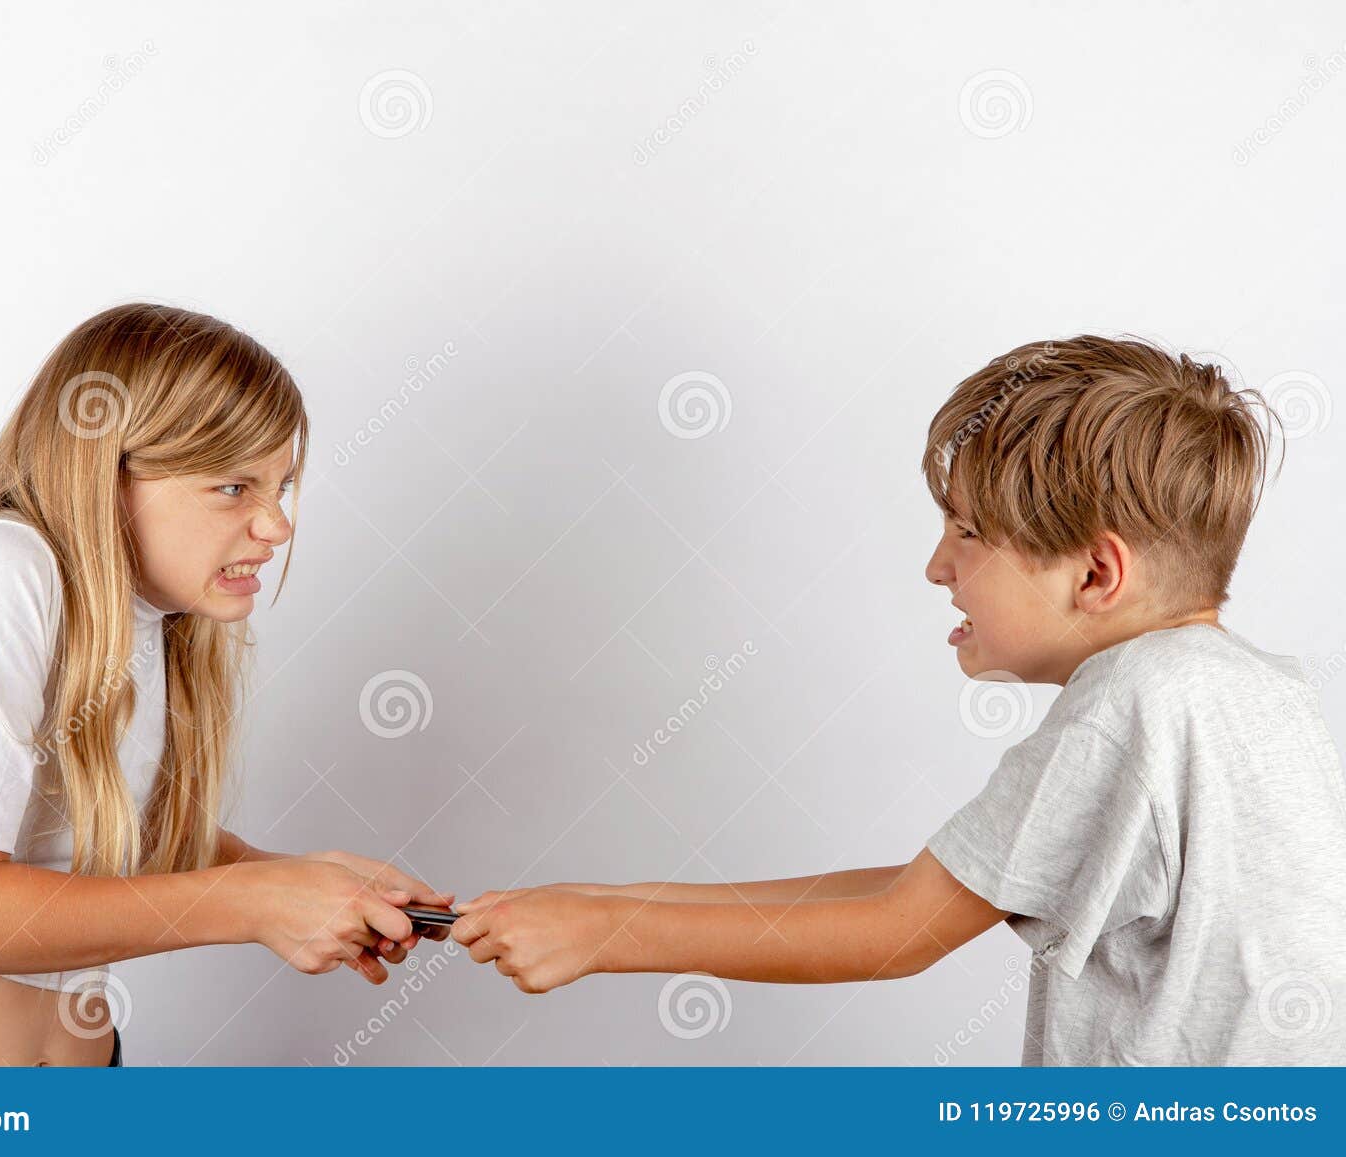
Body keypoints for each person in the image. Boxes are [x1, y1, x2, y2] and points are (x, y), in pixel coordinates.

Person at [452, 334, 1346, 1065]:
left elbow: (896, 932)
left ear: (1096, 571)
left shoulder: (1134, 702)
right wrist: (608, 899)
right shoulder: (1263, 696)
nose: (937, 566)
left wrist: (603, 936)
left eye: (968, 532)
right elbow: (925, 889)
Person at [0, 302, 451, 1067]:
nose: (276, 526)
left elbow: (94, 843)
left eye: (281, 487)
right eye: (235, 487)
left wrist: (300, 879)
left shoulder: (139, 614)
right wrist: (256, 903)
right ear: (109, 471)